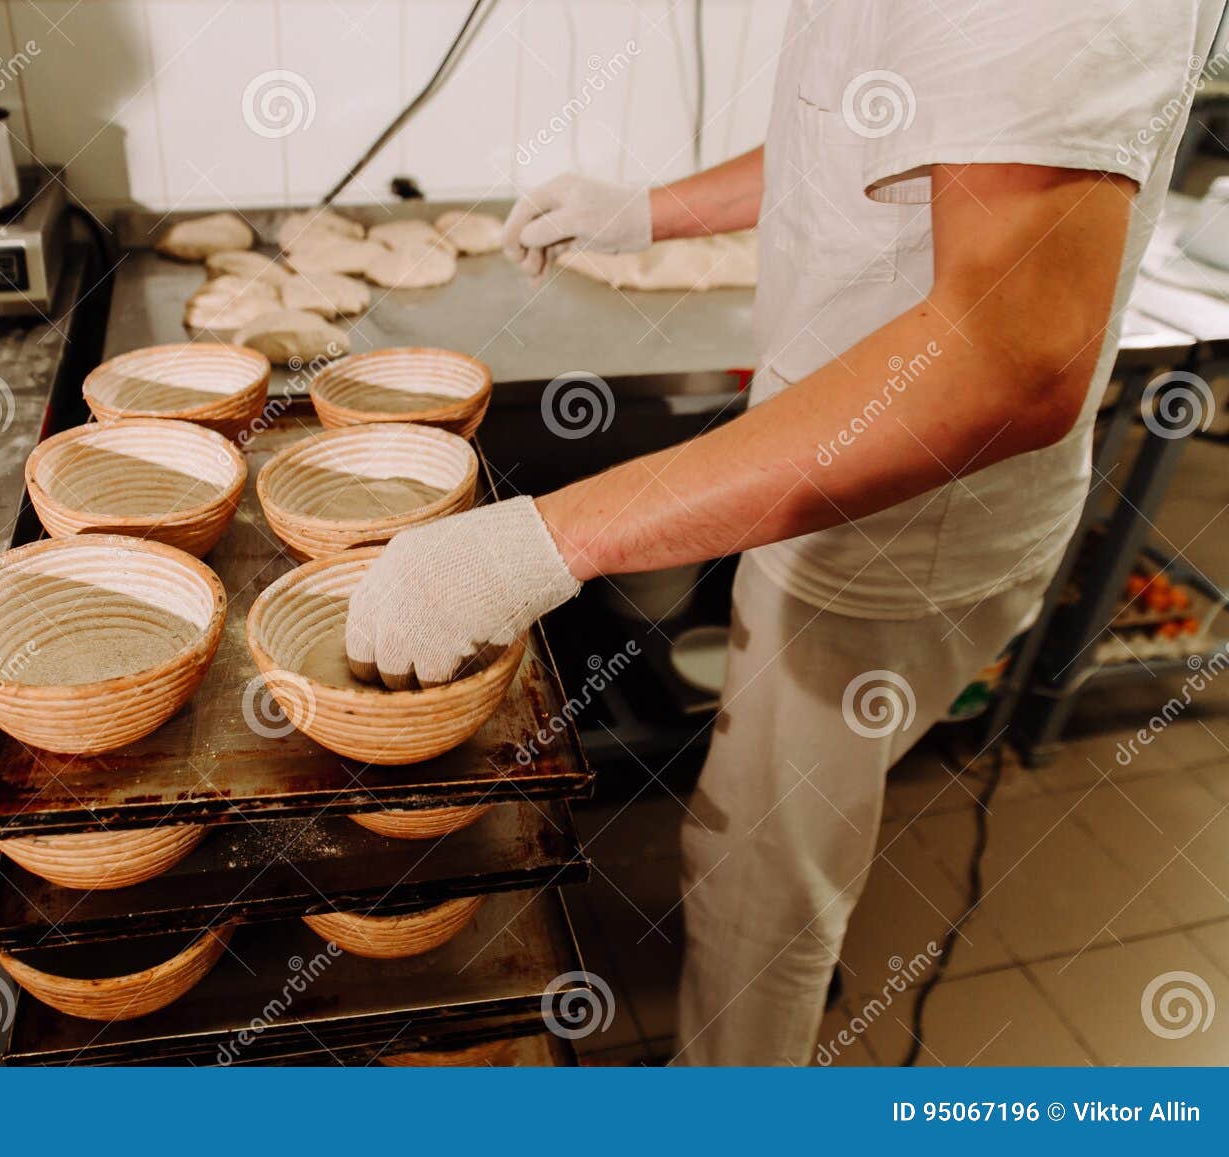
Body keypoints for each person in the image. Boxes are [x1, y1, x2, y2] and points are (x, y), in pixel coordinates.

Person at [344, 1, 1228, 1064]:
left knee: (763, 875)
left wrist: (542, 541)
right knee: (759, 836)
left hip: (902, 523)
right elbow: (875, 127)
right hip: (830, 469)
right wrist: (648, 212)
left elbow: (1012, 361)